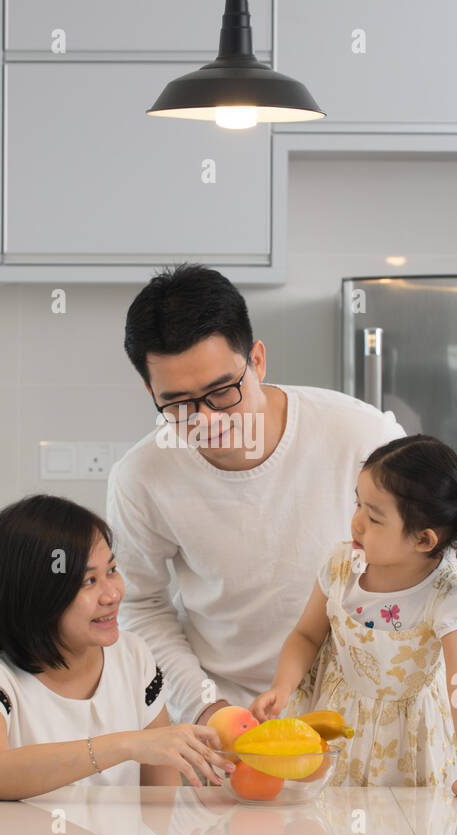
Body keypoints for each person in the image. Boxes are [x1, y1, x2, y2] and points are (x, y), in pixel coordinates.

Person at [107, 263, 405, 731]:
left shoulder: (361, 435)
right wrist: (207, 707)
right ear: (150, 390)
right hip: (230, 724)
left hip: (363, 718)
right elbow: (141, 606)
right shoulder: (142, 477)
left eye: (222, 391)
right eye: (178, 404)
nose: (205, 420)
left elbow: (425, 561)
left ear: (258, 361)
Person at [0, 495, 235, 800]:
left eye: (112, 571)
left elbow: (159, 799)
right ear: (36, 594)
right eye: (89, 581)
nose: (113, 594)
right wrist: (125, 745)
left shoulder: (133, 657)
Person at [250, 435, 457, 797]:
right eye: (357, 504)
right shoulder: (341, 566)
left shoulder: (447, 590)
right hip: (337, 725)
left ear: (423, 540)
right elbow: (307, 636)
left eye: (373, 517)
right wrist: (282, 685)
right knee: (328, 831)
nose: (356, 523)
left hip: (409, 742)